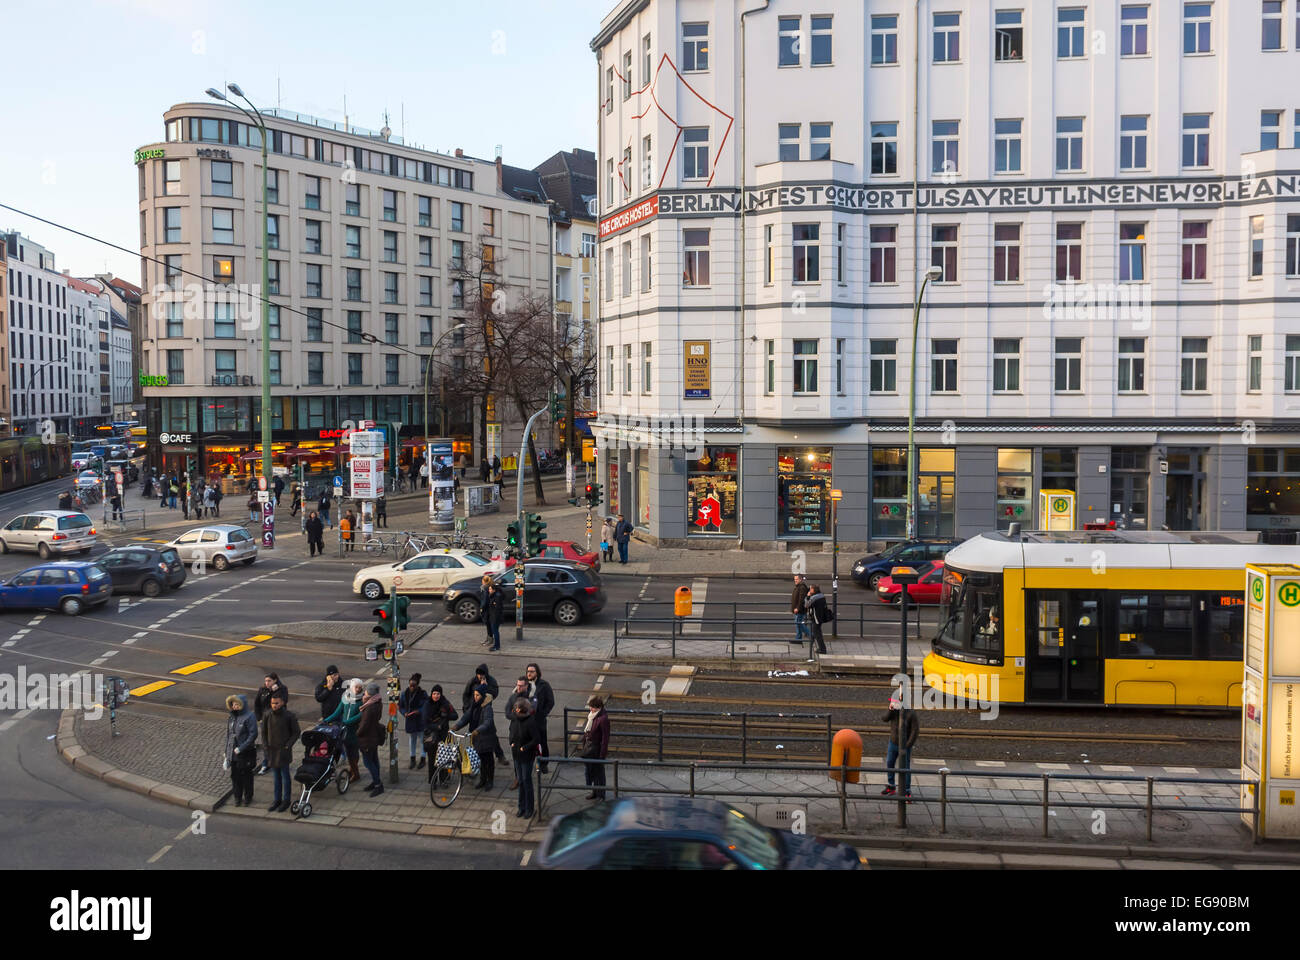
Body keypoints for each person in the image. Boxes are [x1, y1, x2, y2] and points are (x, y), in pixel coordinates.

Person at [260, 691, 300, 812]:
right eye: (272, 703)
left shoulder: (289, 716)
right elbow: (263, 733)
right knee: (276, 777)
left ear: (282, 702)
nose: (274, 705)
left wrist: (288, 745)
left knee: (285, 777)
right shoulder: (267, 715)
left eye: (276, 703)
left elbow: (296, 732)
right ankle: (277, 800)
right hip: (271, 751)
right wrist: (265, 747)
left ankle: (286, 800)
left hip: (283, 751)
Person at [453, 684, 499, 791]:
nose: (475, 697)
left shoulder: (487, 708)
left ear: (482, 696)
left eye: (477, 695)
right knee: (481, 759)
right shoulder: (474, 705)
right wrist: (456, 726)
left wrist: (478, 730)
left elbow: (488, 722)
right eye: (474, 695)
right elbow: (466, 717)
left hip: (486, 737)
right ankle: (483, 779)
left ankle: (490, 780)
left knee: (488, 759)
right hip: (477, 737)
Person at [323, 677, 365, 783]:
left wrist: (347, 722)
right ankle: (353, 771)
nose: (358, 689)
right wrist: (326, 721)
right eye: (356, 687)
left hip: (355, 731)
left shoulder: (362, 701)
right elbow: (337, 712)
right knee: (349, 752)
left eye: (360, 687)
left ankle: (355, 773)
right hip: (345, 731)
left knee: (353, 754)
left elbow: (360, 716)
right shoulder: (346, 698)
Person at [882, 694, 920, 800]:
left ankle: (906, 790)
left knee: (905, 768)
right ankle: (891, 785)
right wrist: (890, 709)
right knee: (890, 763)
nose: (894, 703)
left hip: (905, 746)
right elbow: (884, 718)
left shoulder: (911, 713)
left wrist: (907, 745)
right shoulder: (894, 711)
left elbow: (915, 731)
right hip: (893, 742)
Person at [224, 694, 258, 807]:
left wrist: (241, 748)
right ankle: (237, 797)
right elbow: (228, 735)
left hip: (245, 753)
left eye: (237, 704)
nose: (235, 706)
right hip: (234, 753)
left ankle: (248, 797)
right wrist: (226, 754)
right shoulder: (232, 717)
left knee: (246, 776)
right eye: (233, 704)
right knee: (235, 776)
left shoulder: (249, 716)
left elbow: (253, 735)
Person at [509, 697, 540, 819]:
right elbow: (511, 732)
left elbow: (536, 739)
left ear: (522, 710)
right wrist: (511, 742)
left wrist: (525, 747)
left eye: (517, 709)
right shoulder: (515, 720)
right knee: (520, 780)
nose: (515, 710)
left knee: (526, 781)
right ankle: (521, 807)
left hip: (526, 756)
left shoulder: (530, 722)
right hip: (516, 754)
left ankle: (529, 808)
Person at [421, 685, 459, 783]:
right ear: (431, 694)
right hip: (431, 737)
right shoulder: (427, 704)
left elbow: (455, 715)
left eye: (438, 694)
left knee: (443, 758)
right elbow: (425, 722)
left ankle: (443, 779)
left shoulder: (445, 703)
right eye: (434, 693)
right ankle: (433, 781)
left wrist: (446, 716)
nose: (436, 696)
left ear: (441, 694)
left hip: (443, 736)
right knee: (432, 759)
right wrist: (436, 727)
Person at [252, 673, 288, 774]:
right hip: (264, 720)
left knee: (277, 741)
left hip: (277, 720)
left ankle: (277, 761)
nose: (267, 683)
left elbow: (283, 702)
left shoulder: (282, 689)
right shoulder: (262, 689)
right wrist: (259, 718)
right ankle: (266, 763)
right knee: (266, 742)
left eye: (269, 681)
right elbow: (257, 704)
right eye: (266, 681)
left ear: (275, 680)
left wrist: (274, 692)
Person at [356, 680, 385, 796]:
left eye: (367, 691)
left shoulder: (369, 707)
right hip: (374, 737)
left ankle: (378, 784)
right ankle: (375, 781)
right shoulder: (377, 702)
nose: (365, 693)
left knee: (368, 762)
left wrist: (357, 733)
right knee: (374, 760)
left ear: (370, 694)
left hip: (367, 739)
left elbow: (364, 725)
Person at [580, 694, 610, 800]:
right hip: (590, 748)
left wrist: (602, 754)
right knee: (592, 771)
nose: (590, 709)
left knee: (599, 773)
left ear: (598, 708)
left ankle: (601, 794)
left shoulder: (603, 719)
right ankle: (595, 792)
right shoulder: (593, 716)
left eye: (592, 707)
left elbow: (605, 738)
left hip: (597, 749)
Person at [525, 663, 554, 774]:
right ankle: (530, 762)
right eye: (528, 671)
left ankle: (544, 763)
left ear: (537, 673)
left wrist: (543, 713)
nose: (529, 673)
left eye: (532, 671)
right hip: (527, 720)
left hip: (539, 720)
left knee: (542, 742)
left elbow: (550, 701)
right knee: (528, 742)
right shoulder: (525, 684)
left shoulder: (544, 685)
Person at [400, 673, 428, 770]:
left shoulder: (423, 694)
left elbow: (426, 705)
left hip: (420, 720)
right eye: (410, 685)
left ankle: (423, 758)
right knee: (412, 739)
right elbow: (401, 706)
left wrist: (419, 711)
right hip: (410, 719)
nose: (411, 687)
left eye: (414, 686)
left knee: (421, 739)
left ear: (417, 685)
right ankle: (412, 758)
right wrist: (404, 713)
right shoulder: (404, 694)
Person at [805, 582, 830, 656]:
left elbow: (806, 605)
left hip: (816, 618)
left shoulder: (814, 597)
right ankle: (812, 643)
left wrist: (807, 596)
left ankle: (822, 649)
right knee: (815, 631)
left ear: (813, 590)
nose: (809, 590)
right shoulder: (821, 595)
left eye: (810, 589)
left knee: (817, 633)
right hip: (820, 617)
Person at [483, 580, 504, 651]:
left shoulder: (497, 597)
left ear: (494, 590)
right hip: (493, 617)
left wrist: (494, 619)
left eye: (490, 589)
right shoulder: (494, 595)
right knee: (495, 631)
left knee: (495, 632)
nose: (489, 590)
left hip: (495, 618)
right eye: (489, 589)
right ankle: (496, 645)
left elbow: (497, 609)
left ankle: (496, 646)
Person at [791, 574, 811, 645]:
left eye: (796, 579)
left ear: (800, 579)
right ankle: (798, 639)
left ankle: (811, 635)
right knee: (798, 624)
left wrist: (797, 608)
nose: (795, 581)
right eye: (794, 579)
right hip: (798, 609)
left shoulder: (802, 587)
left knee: (799, 624)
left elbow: (801, 599)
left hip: (800, 609)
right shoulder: (799, 586)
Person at [477, 574, 495, 647]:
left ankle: (490, 640)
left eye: (482, 580)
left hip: (487, 609)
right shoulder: (488, 587)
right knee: (488, 625)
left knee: (488, 625)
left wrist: (481, 608)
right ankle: (488, 639)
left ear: (484, 581)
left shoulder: (485, 589)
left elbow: (485, 600)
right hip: (490, 609)